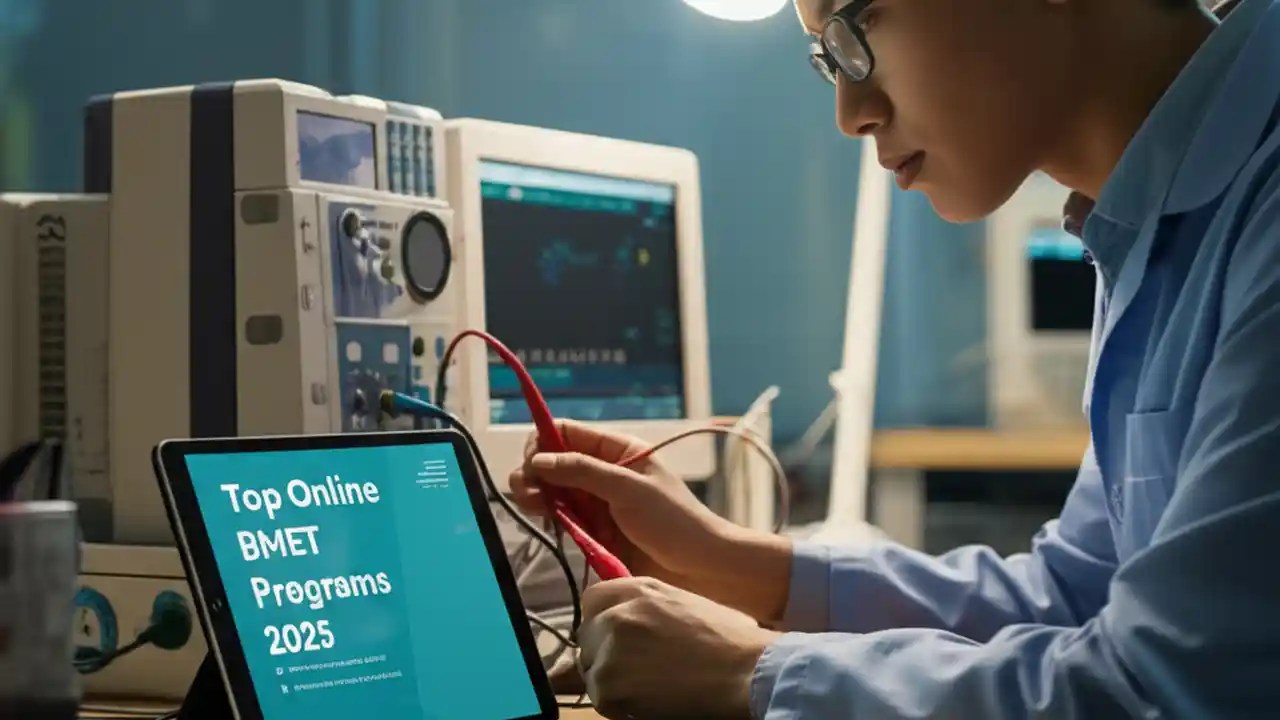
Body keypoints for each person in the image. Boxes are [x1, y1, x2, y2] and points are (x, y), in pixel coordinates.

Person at [511, 0, 1280, 716]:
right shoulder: (1162, 224)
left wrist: (748, 674)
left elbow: (1174, 691)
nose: (850, 114)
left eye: (858, 26)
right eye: (828, 60)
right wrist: (723, 560)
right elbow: (1072, 597)